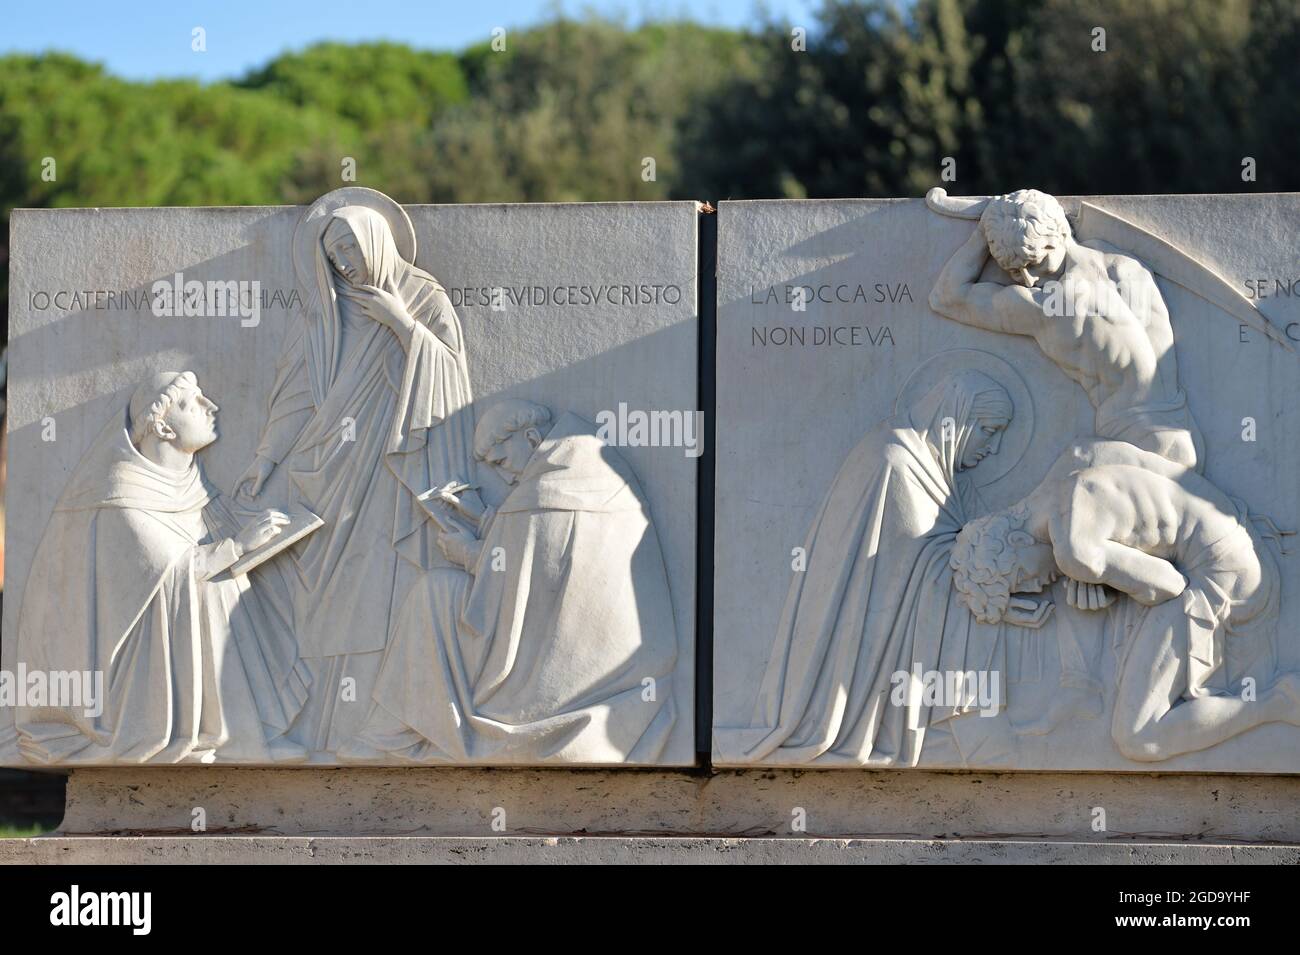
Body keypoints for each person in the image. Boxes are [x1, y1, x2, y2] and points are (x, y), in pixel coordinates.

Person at [234, 204, 479, 753]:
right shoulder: (324, 310)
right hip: (329, 475)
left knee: (383, 593)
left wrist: (400, 323)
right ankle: (326, 729)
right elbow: (298, 393)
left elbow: (452, 381)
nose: (344, 263)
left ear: (376, 239)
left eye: (351, 247)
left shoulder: (424, 298)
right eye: (333, 253)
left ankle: (388, 727)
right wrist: (266, 459)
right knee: (327, 600)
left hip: (394, 470)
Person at [715, 369, 1026, 766]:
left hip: (919, 632)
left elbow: (960, 556)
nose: (994, 447)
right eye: (987, 430)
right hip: (862, 650)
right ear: (957, 419)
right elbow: (903, 569)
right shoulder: (893, 460)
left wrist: (1001, 588)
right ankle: (977, 742)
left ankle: (980, 739)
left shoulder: (946, 476)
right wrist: (985, 589)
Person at [351, 399, 678, 763]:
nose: (505, 477)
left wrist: (467, 555)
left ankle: (392, 734)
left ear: (531, 436)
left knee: (434, 593)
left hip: (556, 662)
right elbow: (543, 564)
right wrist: (487, 520)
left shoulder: (543, 492)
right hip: (615, 656)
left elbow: (515, 586)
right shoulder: (590, 468)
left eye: (502, 461)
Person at [15, 372, 309, 764]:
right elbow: (169, 572)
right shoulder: (121, 496)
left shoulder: (188, 481)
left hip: (170, 629)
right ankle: (228, 734)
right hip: (134, 658)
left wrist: (270, 530)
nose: (211, 407)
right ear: (162, 424)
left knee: (250, 578)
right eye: (192, 402)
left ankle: (256, 727)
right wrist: (238, 546)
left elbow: (216, 528)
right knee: (212, 584)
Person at [950, 445, 1300, 761]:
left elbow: (1169, 584)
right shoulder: (1071, 463)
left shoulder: (1075, 551)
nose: (1038, 585)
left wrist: (1102, 580)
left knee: (1138, 736)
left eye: (1021, 579)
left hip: (1222, 577)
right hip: (1243, 541)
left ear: (1015, 539)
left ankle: (1278, 702)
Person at [929, 189, 1204, 471]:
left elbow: (945, 297)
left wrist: (981, 232)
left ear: (1059, 235)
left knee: (1064, 478)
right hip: (1180, 432)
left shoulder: (1049, 307)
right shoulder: (1124, 269)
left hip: (1137, 441)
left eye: (1034, 263)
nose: (1028, 279)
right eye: (1013, 271)